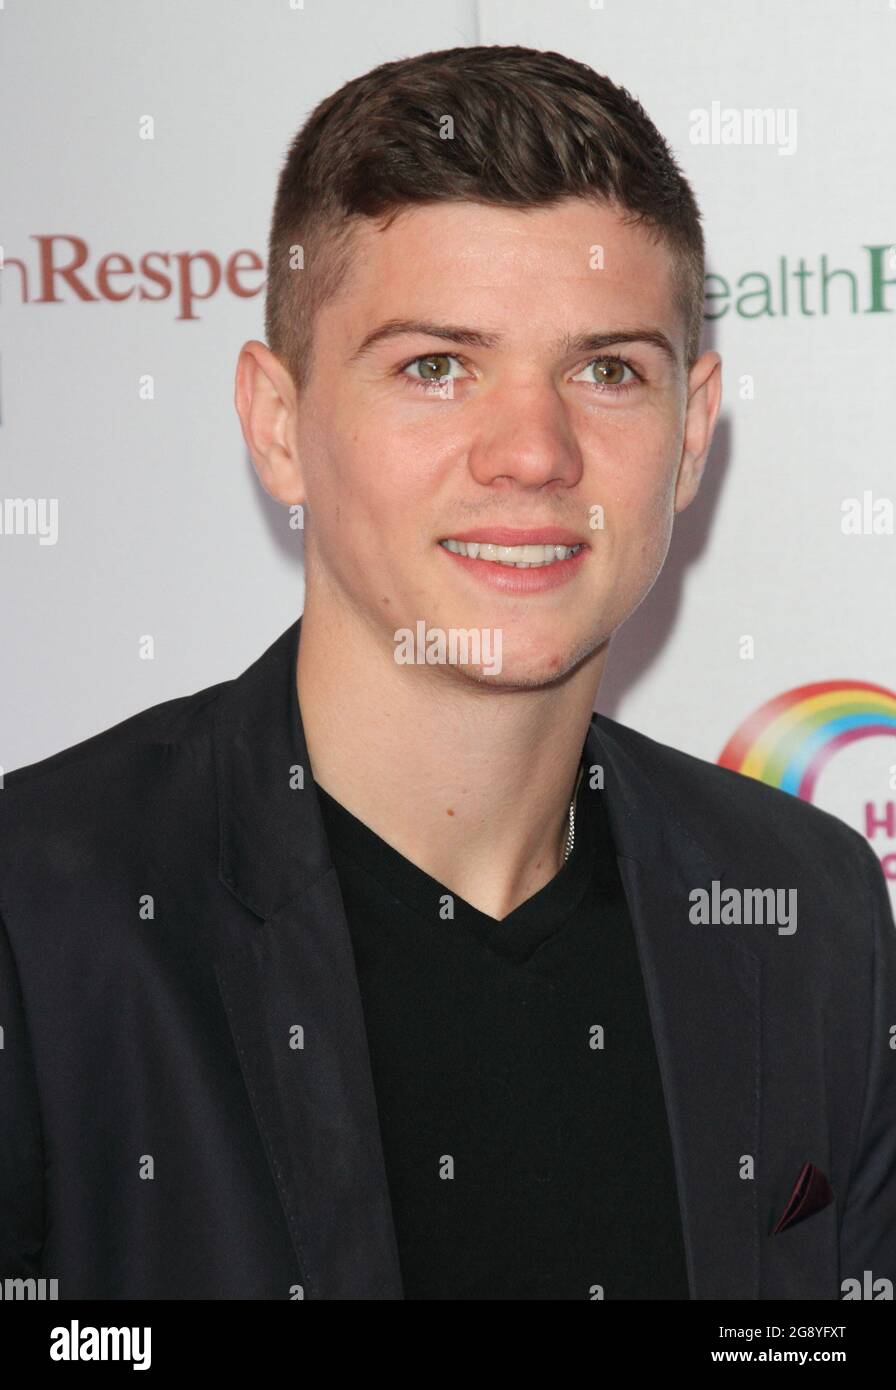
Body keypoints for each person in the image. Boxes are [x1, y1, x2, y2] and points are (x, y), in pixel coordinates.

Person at [1, 44, 893, 1301]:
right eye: (435, 366)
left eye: (605, 370)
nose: (532, 452)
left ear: (689, 437)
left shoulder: (805, 910)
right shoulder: (46, 909)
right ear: (277, 424)